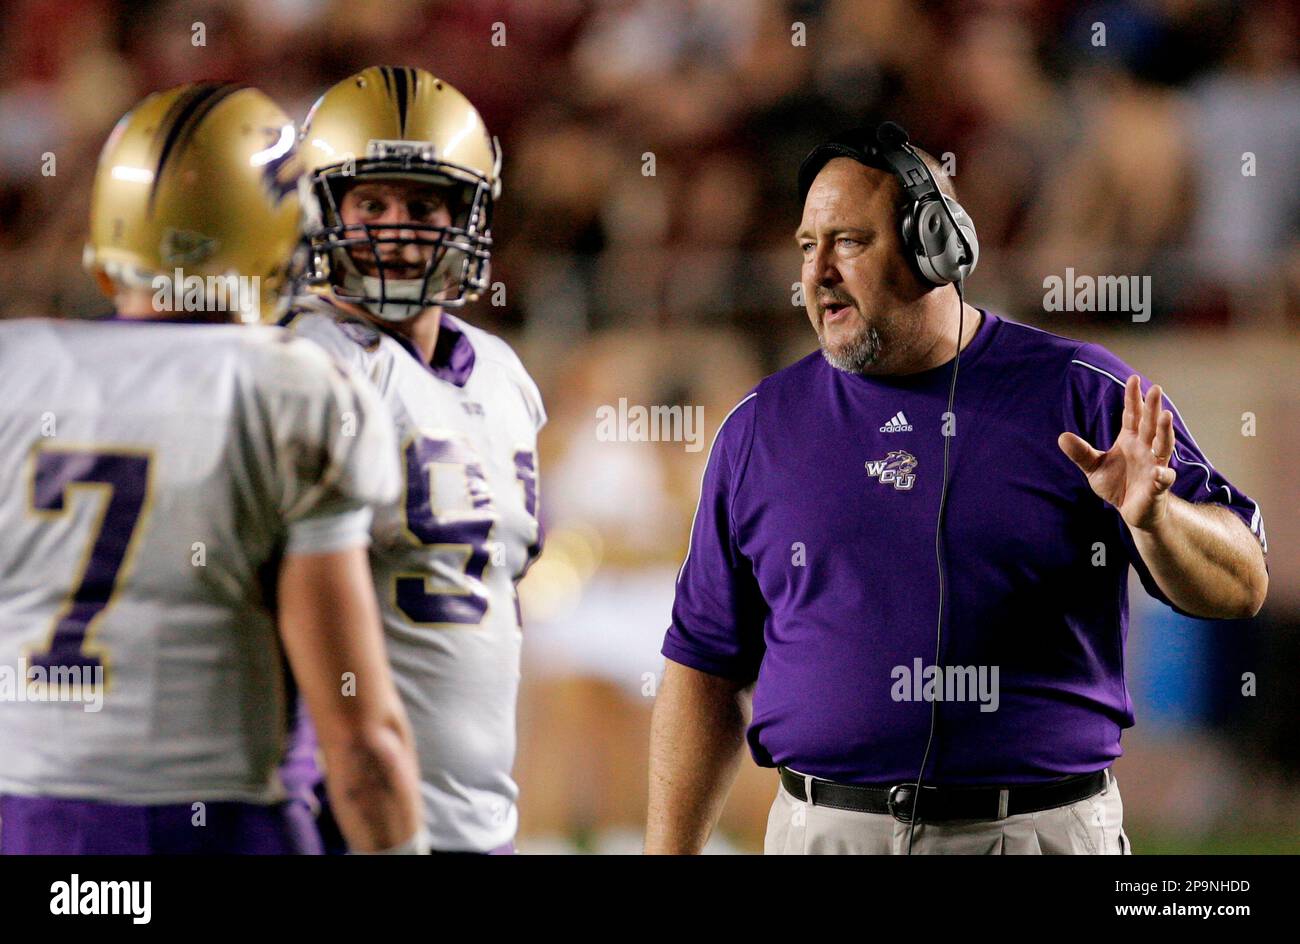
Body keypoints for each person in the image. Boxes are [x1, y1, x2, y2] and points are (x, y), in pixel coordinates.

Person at [645, 123, 1269, 855]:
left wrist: (1156, 520)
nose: (816, 273)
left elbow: (1243, 582)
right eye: (807, 246)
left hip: (1037, 834)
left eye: (847, 241)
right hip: (825, 835)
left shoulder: (1079, 394)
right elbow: (703, 666)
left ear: (934, 247)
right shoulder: (759, 429)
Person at [0, 83, 424, 854]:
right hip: (209, 828)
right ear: (271, 229)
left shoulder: (13, 369)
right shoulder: (288, 389)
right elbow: (361, 743)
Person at [283, 67, 545, 854]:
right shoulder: (304, 364)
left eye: (425, 205)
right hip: (346, 818)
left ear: (467, 215)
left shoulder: (505, 377)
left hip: (480, 816)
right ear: (323, 211)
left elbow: (501, 582)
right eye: (371, 203)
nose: (397, 228)